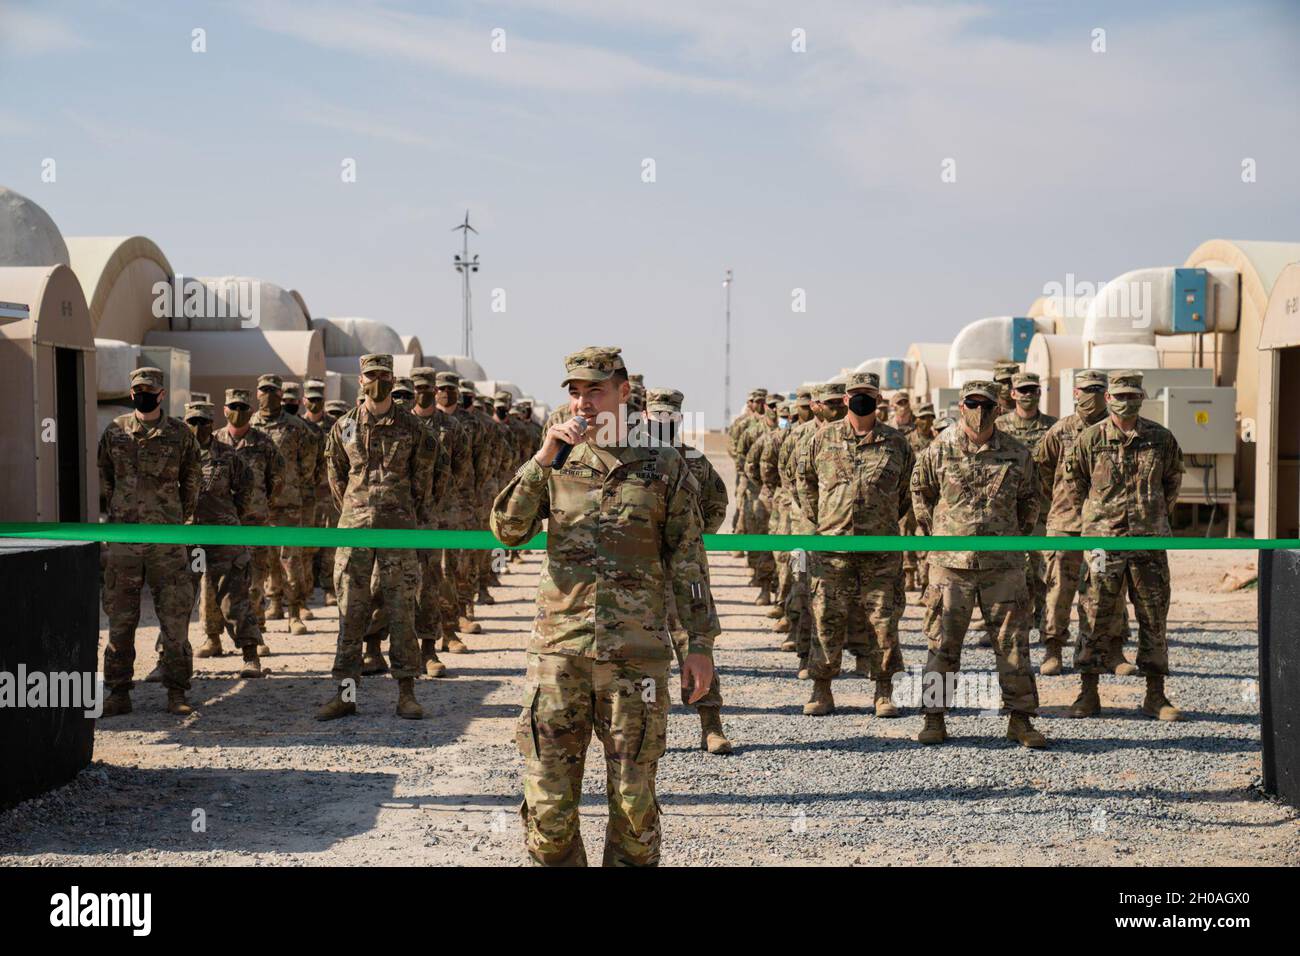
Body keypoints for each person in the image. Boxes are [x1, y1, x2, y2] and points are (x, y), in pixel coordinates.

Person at [491, 347, 719, 867]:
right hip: (559, 653)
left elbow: (688, 560)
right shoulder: (556, 457)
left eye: (595, 389)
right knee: (547, 809)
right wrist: (543, 456)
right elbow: (507, 529)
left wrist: (699, 646)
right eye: (574, 390)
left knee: (635, 807)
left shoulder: (661, 464)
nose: (583, 401)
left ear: (623, 393)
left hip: (635, 658)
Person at [910, 380, 1047, 748]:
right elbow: (920, 493)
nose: (979, 410)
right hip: (950, 567)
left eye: (986, 403)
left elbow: (1031, 499)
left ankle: (1020, 720)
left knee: (1013, 645)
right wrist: (937, 533)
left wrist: (1012, 536)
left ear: (998, 408)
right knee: (942, 642)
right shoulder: (939, 449)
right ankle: (934, 718)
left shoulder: (1017, 453)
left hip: (1002, 565)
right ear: (960, 406)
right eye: (972, 402)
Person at [316, 354, 438, 721]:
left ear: (393, 378)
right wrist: (356, 511)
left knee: (402, 611)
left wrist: (401, 511)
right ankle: (346, 695)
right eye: (372, 375)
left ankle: (406, 695)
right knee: (350, 612)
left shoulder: (413, 428)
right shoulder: (344, 428)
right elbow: (336, 477)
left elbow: (425, 481)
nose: (378, 381)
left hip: (398, 531)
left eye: (385, 375)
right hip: (354, 531)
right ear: (360, 379)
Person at [1066, 370, 1185, 721]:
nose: (1126, 402)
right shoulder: (1090, 440)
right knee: (1094, 613)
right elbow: (1076, 485)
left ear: (1142, 398)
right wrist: (1097, 520)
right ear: (1108, 399)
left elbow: (1172, 484)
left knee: (1153, 616)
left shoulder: (1161, 439)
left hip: (1148, 543)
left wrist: (1152, 516)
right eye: (1119, 396)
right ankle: (1088, 693)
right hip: (1103, 544)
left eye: (1132, 396)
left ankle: (1155, 695)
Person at [798, 371, 913, 718]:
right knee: (826, 619)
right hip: (831, 549)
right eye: (855, 394)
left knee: (883, 620)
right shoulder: (823, 439)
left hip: (879, 550)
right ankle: (822, 689)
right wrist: (823, 520)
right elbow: (804, 483)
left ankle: (883, 691)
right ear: (846, 400)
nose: (862, 399)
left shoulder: (897, 442)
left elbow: (904, 493)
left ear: (878, 399)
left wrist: (882, 520)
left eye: (869, 394)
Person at [98, 367, 201, 717]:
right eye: (138, 389)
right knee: (121, 618)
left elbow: (191, 481)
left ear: (161, 394)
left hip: (166, 540)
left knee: (174, 618)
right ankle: (118, 692)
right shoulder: (114, 432)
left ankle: (176, 692)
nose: (143, 394)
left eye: (150, 389)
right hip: (125, 541)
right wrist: (119, 512)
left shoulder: (181, 434)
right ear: (132, 394)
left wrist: (176, 519)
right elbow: (105, 477)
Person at [646, 386, 732, 755]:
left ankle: (710, 725)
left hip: (686, 573)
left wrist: (692, 537)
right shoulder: (634, 459)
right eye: (657, 418)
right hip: (642, 572)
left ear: (678, 420)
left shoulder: (695, 460)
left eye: (670, 418)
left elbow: (717, 502)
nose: (663, 423)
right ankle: (651, 731)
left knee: (695, 642)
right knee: (644, 653)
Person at [1033, 369, 1130, 676]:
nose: (1091, 396)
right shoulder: (1061, 430)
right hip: (1065, 525)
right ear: (1075, 393)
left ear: (1107, 395)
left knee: (1104, 587)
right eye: (1085, 390)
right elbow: (1041, 471)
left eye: (1097, 390)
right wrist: (1062, 502)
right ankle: (1053, 649)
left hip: (1104, 528)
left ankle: (1110, 649)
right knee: (1058, 587)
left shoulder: (1115, 430)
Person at [183, 400, 264, 679]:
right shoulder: (176, 455)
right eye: (192, 422)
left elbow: (246, 487)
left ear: (212, 424)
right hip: (188, 536)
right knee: (178, 600)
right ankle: (170, 661)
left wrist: (231, 516)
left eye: (203, 422)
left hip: (222, 534)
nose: (197, 428)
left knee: (234, 598)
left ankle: (250, 656)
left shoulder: (228, 456)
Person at [251, 373, 317, 637]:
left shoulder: (295, 426)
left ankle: (295, 611)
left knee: (291, 558)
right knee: (264, 558)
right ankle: (273, 604)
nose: (267, 395)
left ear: (281, 395)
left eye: (272, 391)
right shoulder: (251, 424)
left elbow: (309, 462)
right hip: (258, 505)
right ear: (257, 394)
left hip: (288, 503)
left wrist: (293, 484)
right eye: (263, 390)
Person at [994, 372, 1058, 636]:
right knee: (1006, 569)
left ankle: (1044, 622)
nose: (1028, 395)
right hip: (1007, 511)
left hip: (1043, 510)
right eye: (1022, 390)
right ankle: (1006, 626)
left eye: (1032, 390)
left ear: (1040, 392)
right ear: (1013, 394)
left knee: (1042, 569)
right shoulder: (999, 426)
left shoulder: (1053, 427)